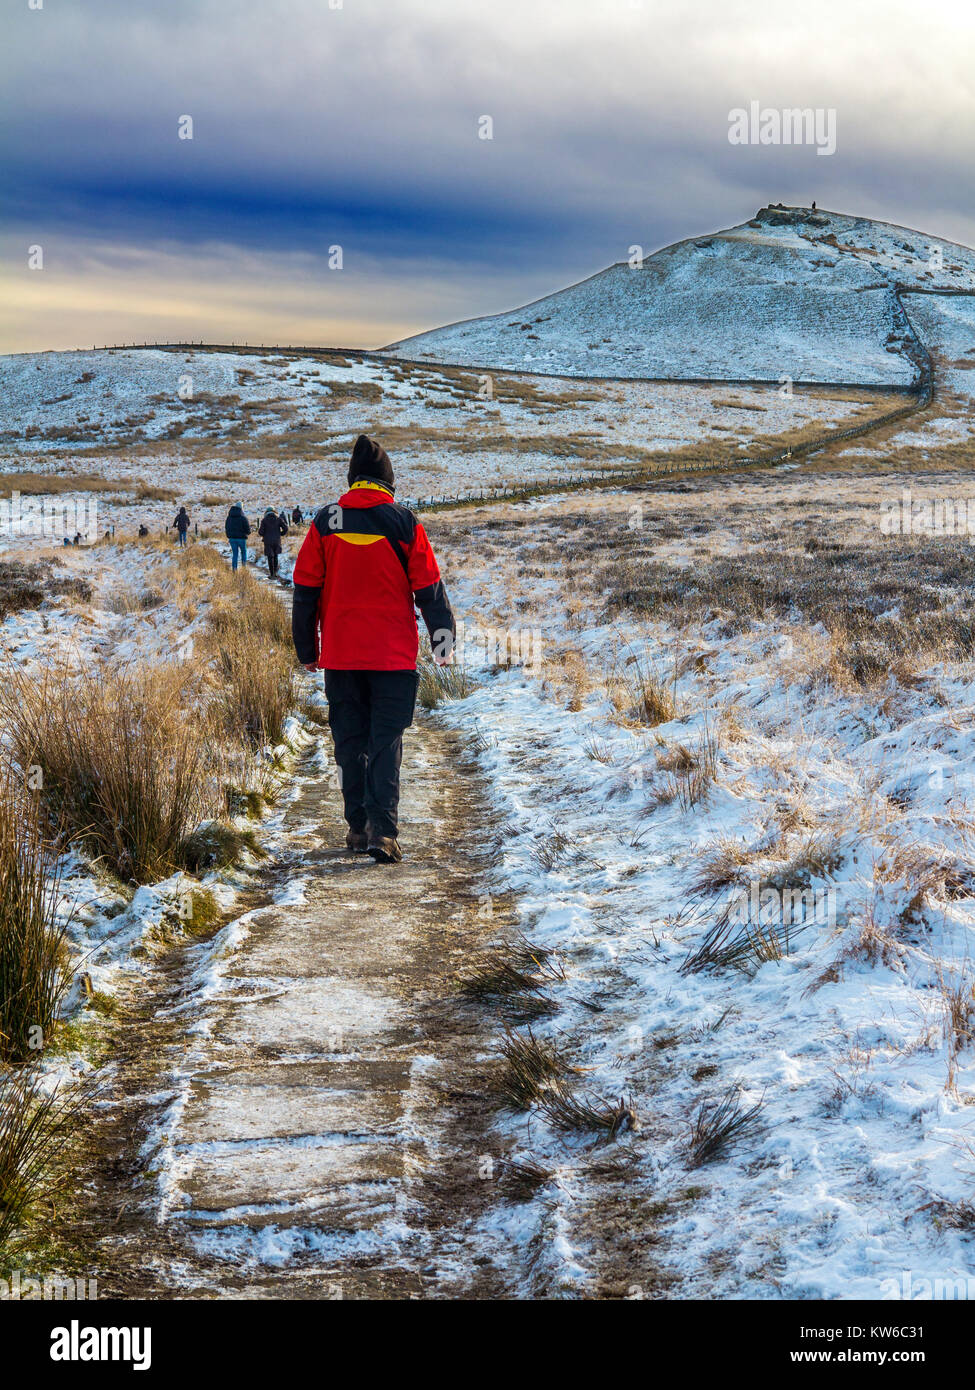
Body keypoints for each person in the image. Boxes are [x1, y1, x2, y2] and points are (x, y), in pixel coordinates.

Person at [292, 434, 455, 864]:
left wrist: (307, 649)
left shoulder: (325, 522)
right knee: (386, 740)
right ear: (387, 483)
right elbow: (430, 589)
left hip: (342, 657)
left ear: (353, 480)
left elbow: (305, 589)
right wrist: (443, 643)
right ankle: (383, 832)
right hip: (392, 658)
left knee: (349, 740)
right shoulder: (404, 522)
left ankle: (357, 825)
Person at [258, 506, 288, 578]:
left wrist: (264, 534)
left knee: (270, 557)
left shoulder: (264, 520)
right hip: (277, 540)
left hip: (267, 541)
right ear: (274, 511)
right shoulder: (278, 519)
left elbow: (260, 532)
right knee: (275, 556)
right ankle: (275, 573)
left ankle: (272, 574)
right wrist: (281, 533)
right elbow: (286, 528)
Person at [224, 502, 250, 571]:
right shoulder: (243, 517)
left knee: (235, 554)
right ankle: (244, 568)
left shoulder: (229, 517)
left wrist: (228, 535)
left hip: (232, 538)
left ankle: (234, 569)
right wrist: (248, 533)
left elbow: (226, 527)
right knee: (243, 552)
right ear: (241, 508)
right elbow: (247, 528)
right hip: (241, 538)